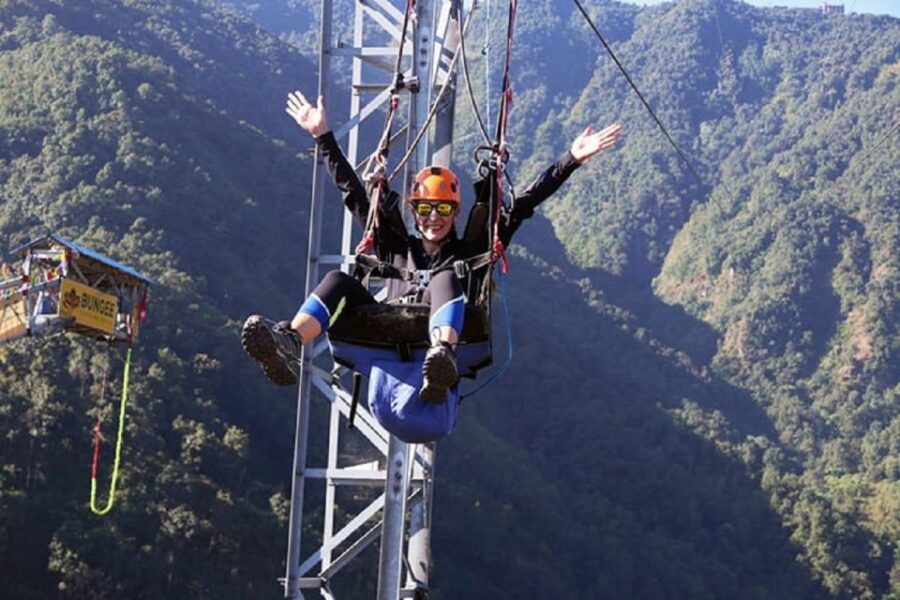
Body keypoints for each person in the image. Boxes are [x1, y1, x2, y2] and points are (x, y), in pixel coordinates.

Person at [241, 91, 623, 402]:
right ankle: (290, 339)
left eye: (442, 209)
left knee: (444, 280)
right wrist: (322, 135)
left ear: (454, 212)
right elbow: (353, 193)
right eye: (424, 209)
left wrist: (570, 160)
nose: (432, 217)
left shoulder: (470, 250)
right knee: (338, 279)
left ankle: (441, 356)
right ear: (415, 211)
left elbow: (523, 204)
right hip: (390, 328)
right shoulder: (396, 247)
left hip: (449, 340)